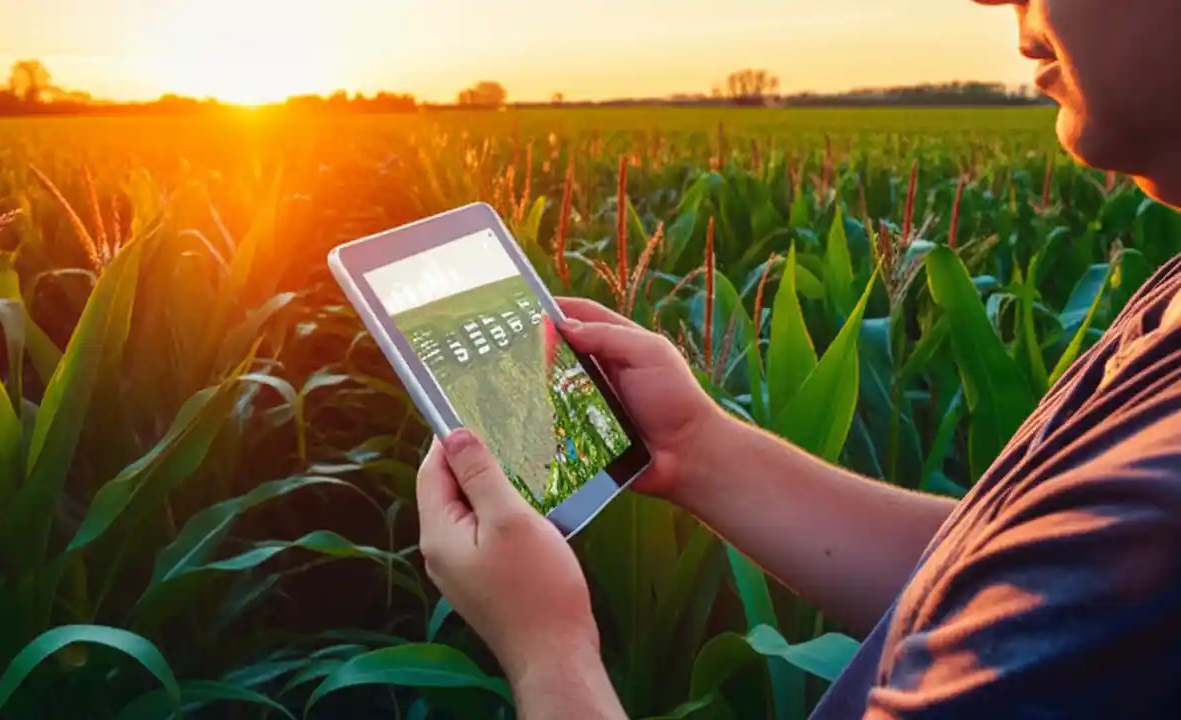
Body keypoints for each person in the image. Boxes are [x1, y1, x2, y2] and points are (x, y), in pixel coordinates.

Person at [416, 1, 1181, 717]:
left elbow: (1083, 582)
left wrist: (549, 650)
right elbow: (1015, 580)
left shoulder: (1156, 526)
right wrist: (700, 450)